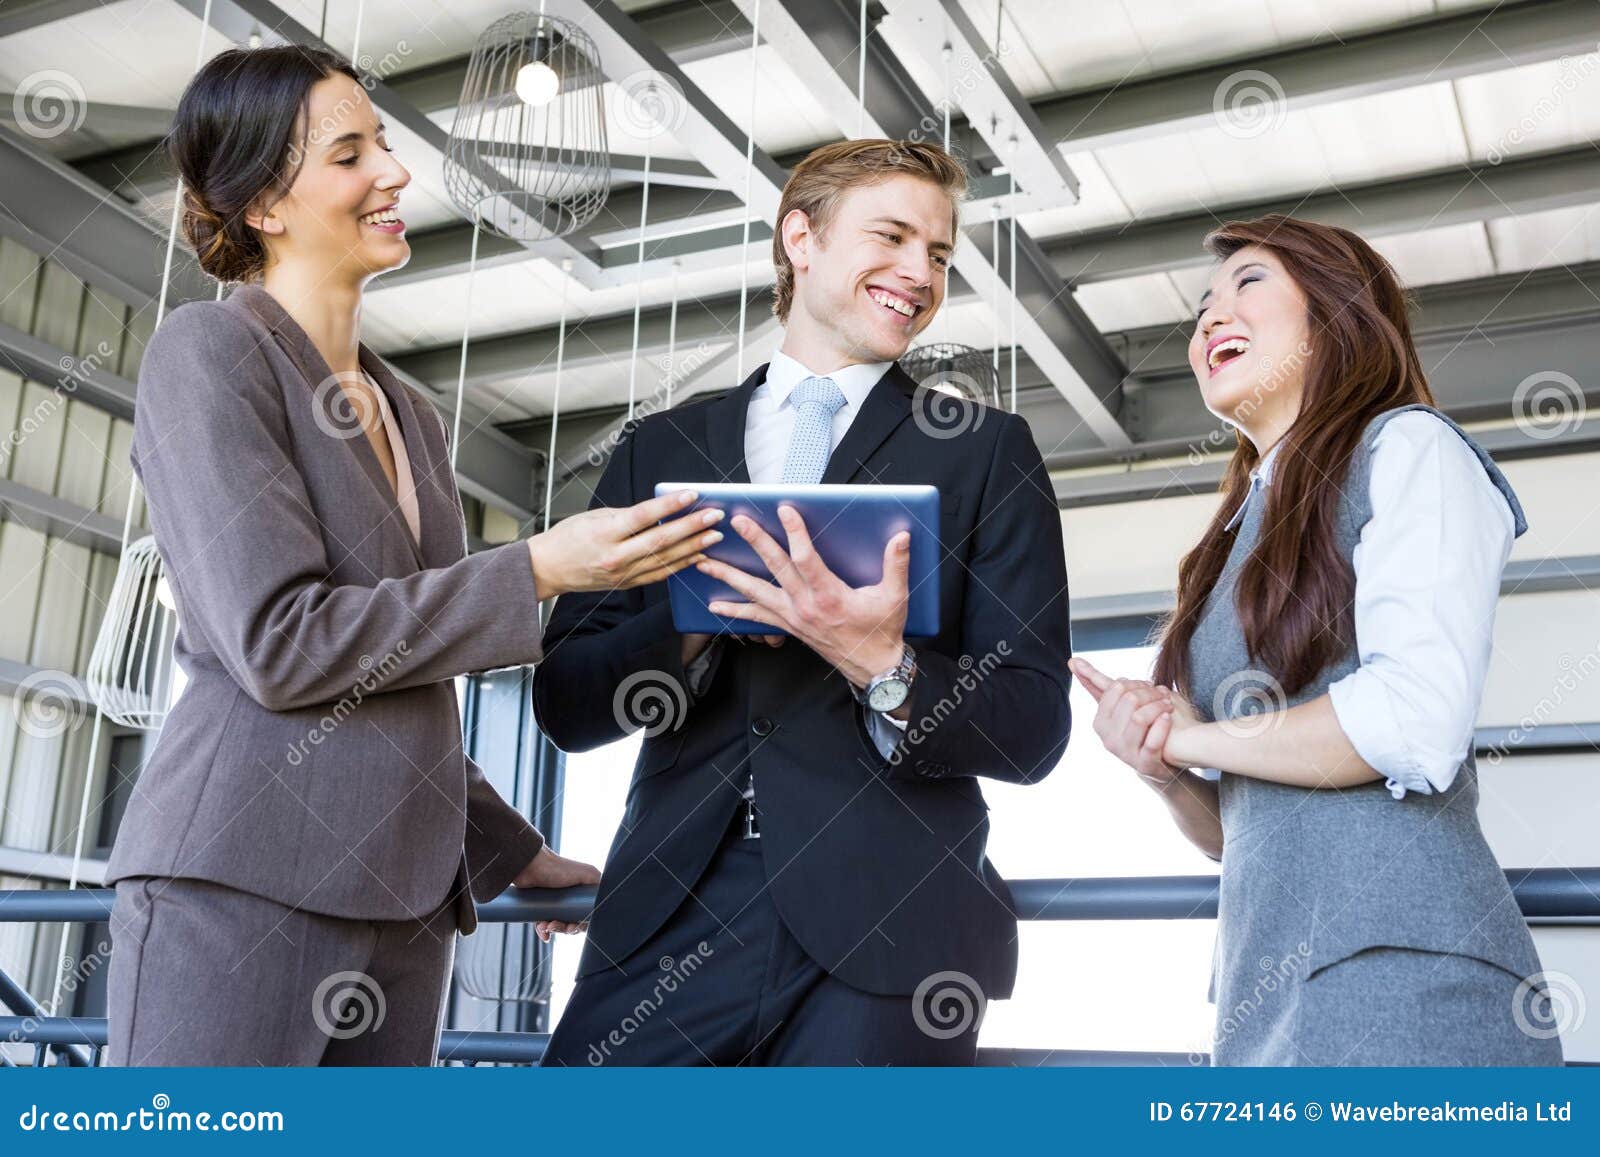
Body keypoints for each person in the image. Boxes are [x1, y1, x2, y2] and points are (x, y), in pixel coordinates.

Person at [104, 46, 720, 1066]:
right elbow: (283, 644)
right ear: (263, 202)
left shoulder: (411, 414)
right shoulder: (208, 355)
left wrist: (513, 851)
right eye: (351, 152)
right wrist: (537, 569)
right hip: (238, 883)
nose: (394, 171)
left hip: (409, 911)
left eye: (383, 142)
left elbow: (399, 679)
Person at [531, 138, 1073, 1066]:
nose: (920, 272)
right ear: (801, 238)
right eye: (893, 236)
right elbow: (566, 705)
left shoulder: (986, 453)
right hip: (670, 911)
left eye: (939, 254)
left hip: (890, 930)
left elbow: (1031, 726)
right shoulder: (658, 449)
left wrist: (881, 664)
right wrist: (694, 623)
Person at [1071, 214, 1563, 1067]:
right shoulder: (1231, 538)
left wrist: (1188, 731)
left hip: (1405, 983)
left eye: (1248, 285)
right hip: (1264, 995)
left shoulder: (1408, 447)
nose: (1211, 318)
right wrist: (1162, 769)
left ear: (1336, 314)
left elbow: (1412, 721)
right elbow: (1246, 826)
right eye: (1200, 308)